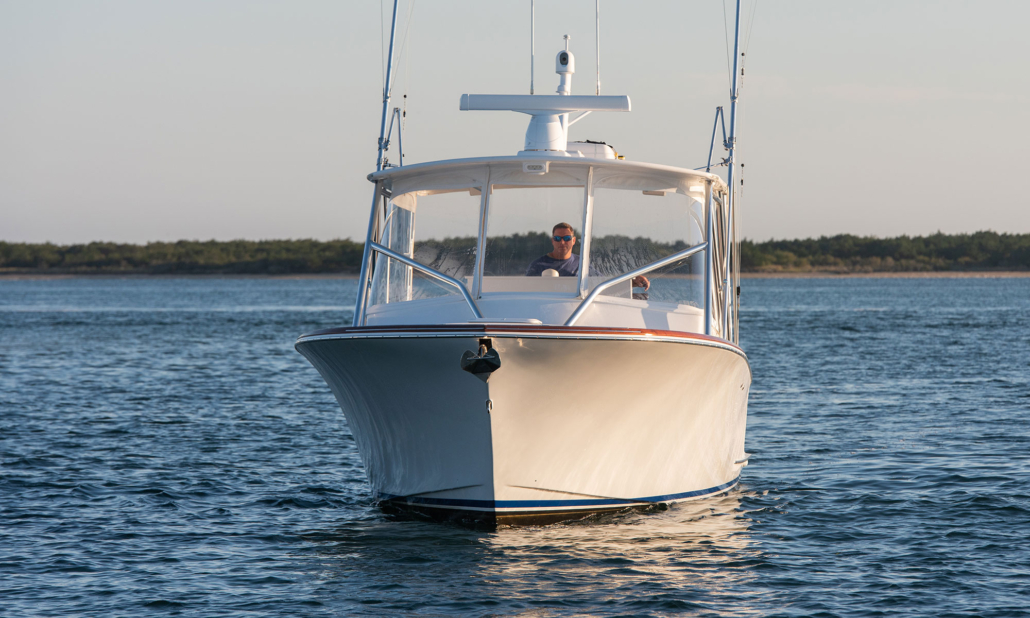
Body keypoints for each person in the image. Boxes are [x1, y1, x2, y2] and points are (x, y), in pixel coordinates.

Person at [525, 222, 650, 289]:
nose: (562, 242)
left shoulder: (581, 264)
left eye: (567, 238)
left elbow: (603, 285)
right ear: (553, 241)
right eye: (558, 238)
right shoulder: (537, 266)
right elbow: (526, 291)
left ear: (573, 241)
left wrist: (632, 282)